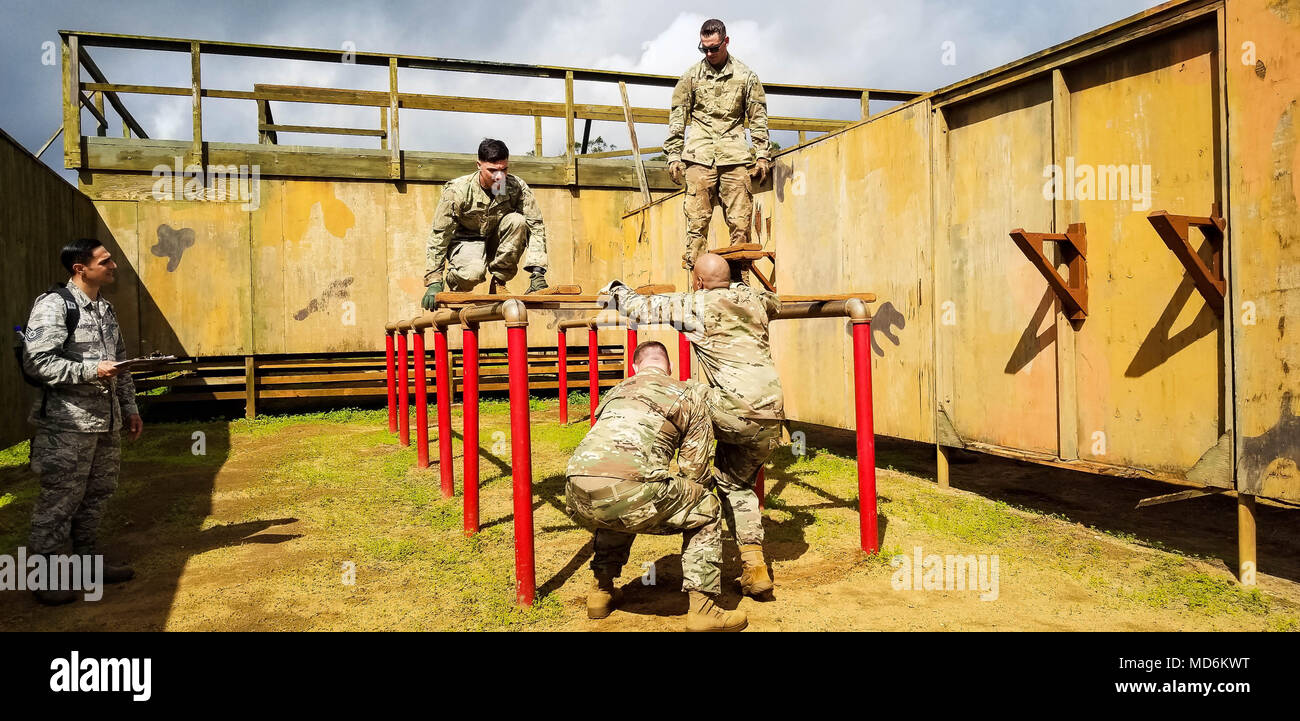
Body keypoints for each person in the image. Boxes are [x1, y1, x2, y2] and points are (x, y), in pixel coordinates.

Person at [602, 252, 782, 598]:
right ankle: (754, 566)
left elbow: (639, 310)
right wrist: (745, 279)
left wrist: (614, 289)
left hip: (731, 409)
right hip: (771, 414)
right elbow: (775, 301)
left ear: (698, 281)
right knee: (736, 484)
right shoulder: (755, 300)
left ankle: (680, 477)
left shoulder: (695, 304)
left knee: (683, 393)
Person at [565, 340, 748, 631]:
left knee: (617, 494)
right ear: (669, 367)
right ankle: (704, 610)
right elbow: (695, 471)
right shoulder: (685, 394)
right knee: (706, 506)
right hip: (629, 491)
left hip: (577, 491)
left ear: (635, 367)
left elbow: (607, 454)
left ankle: (601, 591)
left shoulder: (614, 393)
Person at [20, 238, 143, 605]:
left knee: (96, 496)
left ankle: (88, 564)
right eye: (105, 261)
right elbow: (37, 362)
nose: (113, 266)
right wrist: (92, 370)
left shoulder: (104, 309)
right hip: (67, 427)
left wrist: (131, 408)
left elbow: (120, 363)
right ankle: (45, 580)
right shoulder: (54, 305)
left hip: (105, 424)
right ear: (80, 268)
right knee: (59, 502)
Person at [663, 18, 771, 270]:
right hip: (699, 157)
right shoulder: (690, 77)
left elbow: (757, 117)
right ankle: (698, 288)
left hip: (735, 158)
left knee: (740, 224)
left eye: (714, 47)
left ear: (726, 42)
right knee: (696, 225)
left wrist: (762, 154)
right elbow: (677, 117)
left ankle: (740, 288)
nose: (709, 53)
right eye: (704, 48)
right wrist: (673, 155)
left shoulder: (746, 77)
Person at [422, 138, 550, 308]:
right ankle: (455, 280)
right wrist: (434, 281)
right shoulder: (458, 191)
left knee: (518, 221)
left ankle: (498, 283)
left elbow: (536, 226)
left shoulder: (515, 187)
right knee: (473, 274)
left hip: (497, 240)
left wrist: (538, 272)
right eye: (492, 170)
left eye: (503, 170)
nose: (499, 176)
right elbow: (439, 235)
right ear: (478, 165)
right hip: (467, 241)